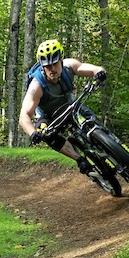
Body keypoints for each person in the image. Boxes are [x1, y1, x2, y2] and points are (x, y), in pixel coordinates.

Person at [19, 38, 107, 175]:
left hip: (70, 106)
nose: (52, 69)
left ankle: (112, 145)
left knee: (92, 120)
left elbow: (90, 68)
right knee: (48, 136)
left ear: (61, 60)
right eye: (48, 66)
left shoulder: (69, 66)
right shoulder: (36, 86)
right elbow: (24, 115)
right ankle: (79, 159)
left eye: (55, 63)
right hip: (49, 116)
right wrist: (32, 133)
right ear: (42, 66)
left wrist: (99, 72)